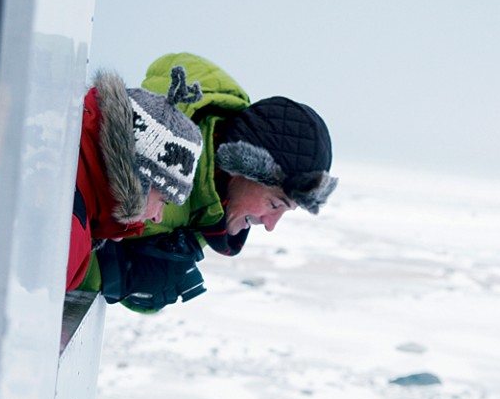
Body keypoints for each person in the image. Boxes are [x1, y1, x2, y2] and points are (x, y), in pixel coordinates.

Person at [78, 52, 337, 311]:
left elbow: (147, 294)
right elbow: (58, 249)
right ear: (243, 168)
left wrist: (137, 280)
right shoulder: (152, 160)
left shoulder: (213, 205)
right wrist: (112, 274)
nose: (270, 225)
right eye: (274, 204)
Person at [66, 64, 204, 291]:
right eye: (163, 201)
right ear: (142, 180)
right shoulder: (71, 228)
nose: (158, 218)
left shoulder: (73, 179)